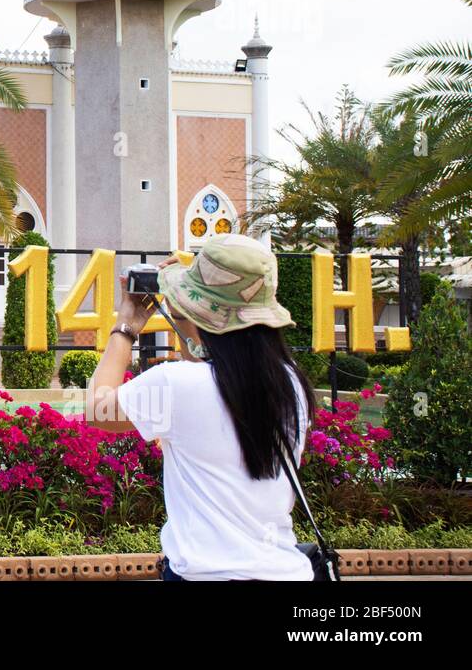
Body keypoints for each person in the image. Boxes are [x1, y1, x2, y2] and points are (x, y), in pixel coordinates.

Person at [87, 233, 316, 581]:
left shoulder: (176, 384)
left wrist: (126, 327)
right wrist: (186, 312)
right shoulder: (291, 384)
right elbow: (210, 369)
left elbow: (98, 410)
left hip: (203, 575)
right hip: (286, 572)